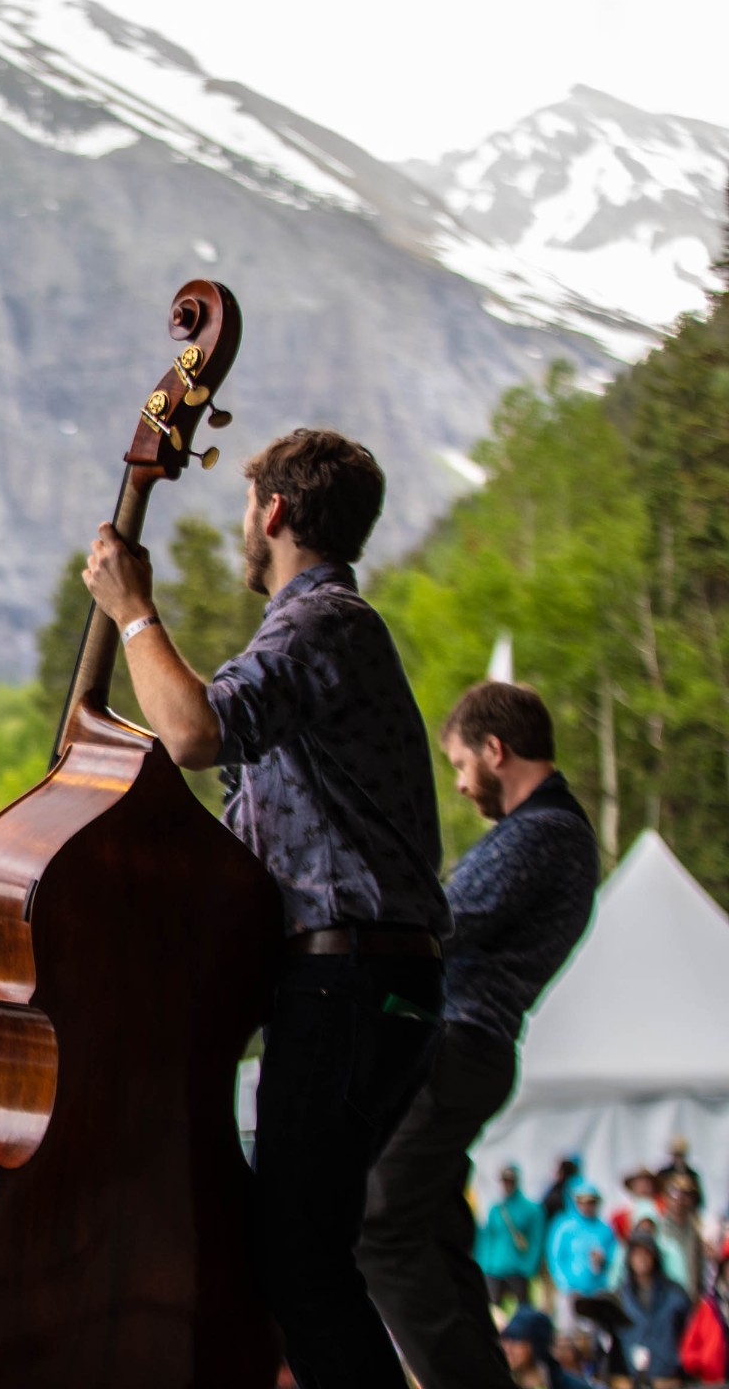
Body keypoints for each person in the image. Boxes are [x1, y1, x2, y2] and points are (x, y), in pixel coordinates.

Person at [85, 428, 449, 1389]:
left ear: (275, 512)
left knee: (301, 1260)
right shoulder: (326, 631)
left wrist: (131, 616)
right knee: (301, 1248)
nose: (246, 527)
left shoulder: (321, 621)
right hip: (366, 975)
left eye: (249, 508)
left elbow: (197, 731)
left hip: (350, 976)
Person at [355, 680, 600, 1389]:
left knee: (380, 1227)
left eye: (461, 766)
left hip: (460, 1046)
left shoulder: (545, 833)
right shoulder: (546, 833)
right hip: (468, 1049)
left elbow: (444, 921)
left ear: (496, 751)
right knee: (432, 1229)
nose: (460, 786)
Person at [614, 1235, 691, 1384]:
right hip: (632, 1376)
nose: (641, 1259)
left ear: (654, 1256)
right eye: (636, 1254)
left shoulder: (675, 1294)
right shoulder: (620, 1297)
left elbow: (688, 1332)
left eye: (646, 1253)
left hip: (668, 1376)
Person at [546, 1183, 617, 1331]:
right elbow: (556, 1258)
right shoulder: (565, 1227)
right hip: (571, 1292)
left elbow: (614, 1259)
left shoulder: (605, 1229)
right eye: (583, 1202)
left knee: (595, 1333)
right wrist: (565, 1284)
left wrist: (603, 1263)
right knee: (569, 1332)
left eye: (591, 1202)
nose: (587, 1206)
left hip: (597, 1291)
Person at [476, 1166, 546, 1309]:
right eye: (504, 1181)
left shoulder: (530, 1209)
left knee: (523, 1308)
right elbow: (487, 1238)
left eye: (509, 1181)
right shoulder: (495, 1209)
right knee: (494, 1309)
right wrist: (484, 1264)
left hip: (518, 1268)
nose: (506, 1185)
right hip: (495, 1268)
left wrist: (529, 1265)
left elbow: (536, 1239)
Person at [500, 1310, 597, 1389]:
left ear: (536, 1345)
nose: (508, 1349)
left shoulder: (569, 1385)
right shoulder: (501, 1381)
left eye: (516, 1341)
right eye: (505, 1340)